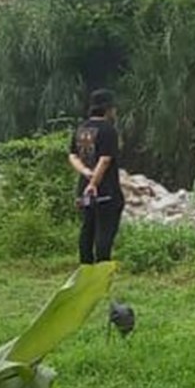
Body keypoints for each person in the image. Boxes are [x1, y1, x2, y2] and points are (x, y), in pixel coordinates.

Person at [68, 89, 124, 265]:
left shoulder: (82, 128)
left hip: (83, 190)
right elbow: (105, 160)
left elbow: (72, 156)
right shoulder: (108, 130)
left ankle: (85, 269)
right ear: (107, 109)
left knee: (87, 229)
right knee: (104, 232)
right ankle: (101, 272)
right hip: (105, 189)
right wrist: (94, 182)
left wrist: (85, 172)